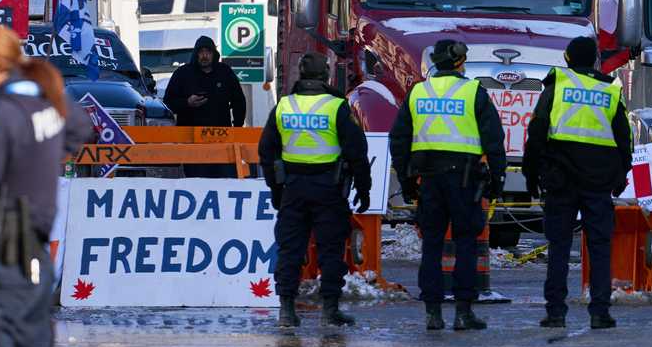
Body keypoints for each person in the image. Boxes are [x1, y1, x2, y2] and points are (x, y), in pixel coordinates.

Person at [0, 25, 94, 347]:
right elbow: (81, 128)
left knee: (2, 346)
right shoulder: (43, 99)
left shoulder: (2, 114)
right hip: (33, 246)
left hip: (2, 249)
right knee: (33, 345)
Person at [388, 39, 505, 331]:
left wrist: (406, 179)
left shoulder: (418, 92)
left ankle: (433, 313)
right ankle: (463, 312)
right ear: (459, 62)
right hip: (465, 180)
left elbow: (400, 140)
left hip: (429, 180)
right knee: (466, 244)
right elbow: (494, 140)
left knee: (432, 245)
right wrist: (498, 178)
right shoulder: (472, 92)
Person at [522, 36, 632, 330]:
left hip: (561, 180)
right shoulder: (610, 89)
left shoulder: (556, 86)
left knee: (558, 246)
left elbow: (537, 132)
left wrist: (530, 173)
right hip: (598, 180)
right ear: (595, 60)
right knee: (599, 246)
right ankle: (600, 311)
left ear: (568, 59)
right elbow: (625, 138)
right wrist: (622, 173)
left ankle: (555, 311)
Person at [258, 52, 371, 327]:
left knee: (290, 250)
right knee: (330, 250)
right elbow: (357, 151)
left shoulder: (284, 106)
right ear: (326, 76)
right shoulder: (336, 107)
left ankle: (286, 310)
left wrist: (276, 189)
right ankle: (329, 310)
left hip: (293, 188)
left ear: (300, 74)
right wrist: (364, 189)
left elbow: (266, 151)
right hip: (328, 190)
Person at [164, 35, 246, 177]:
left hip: (221, 141)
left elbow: (239, 101)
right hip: (192, 142)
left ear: (214, 54)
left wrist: (236, 129)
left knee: (225, 181)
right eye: (201, 52)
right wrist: (187, 103)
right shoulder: (183, 74)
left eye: (208, 52)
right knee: (197, 182)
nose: (204, 56)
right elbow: (168, 102)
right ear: (196, 54)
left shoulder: (225, 72)